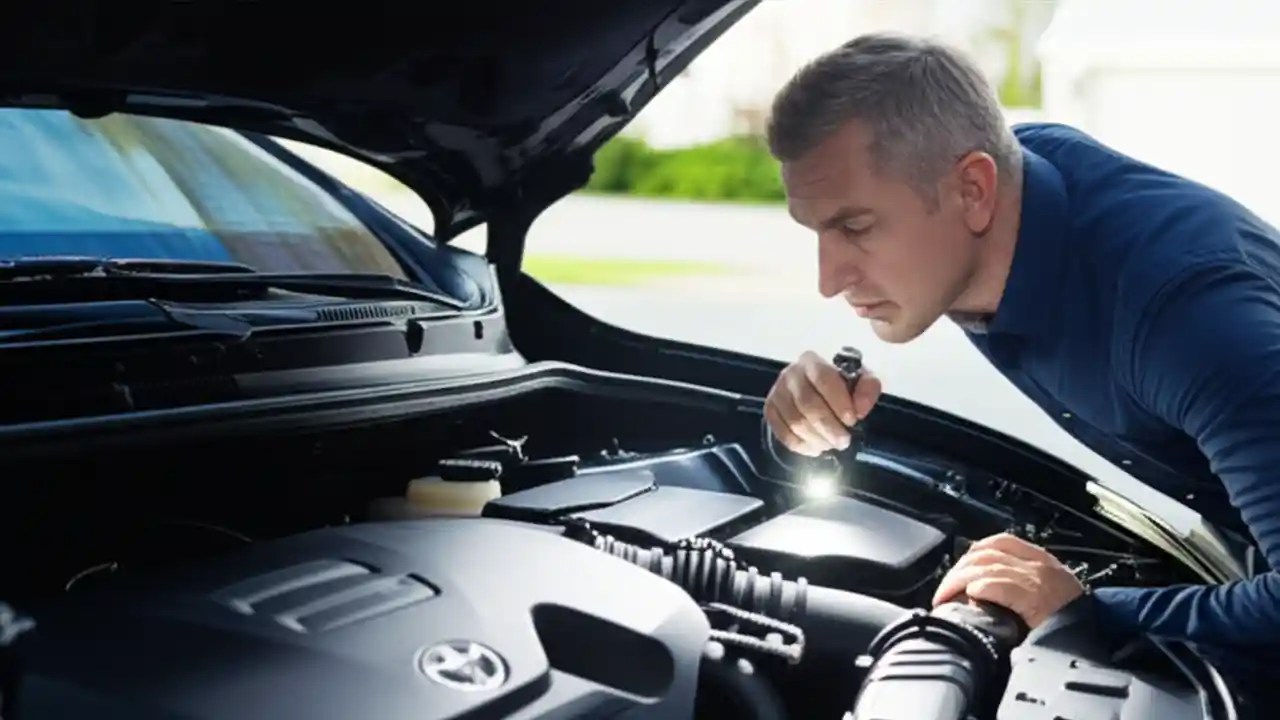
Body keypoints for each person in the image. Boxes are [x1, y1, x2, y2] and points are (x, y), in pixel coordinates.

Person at [761, 31, 1280, 692]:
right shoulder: (1008, 192)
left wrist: (1083, 615)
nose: (828, 281)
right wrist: (803, 426)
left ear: (974, 190)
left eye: (856, 228)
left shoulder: (1185, 318)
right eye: (817, 232)